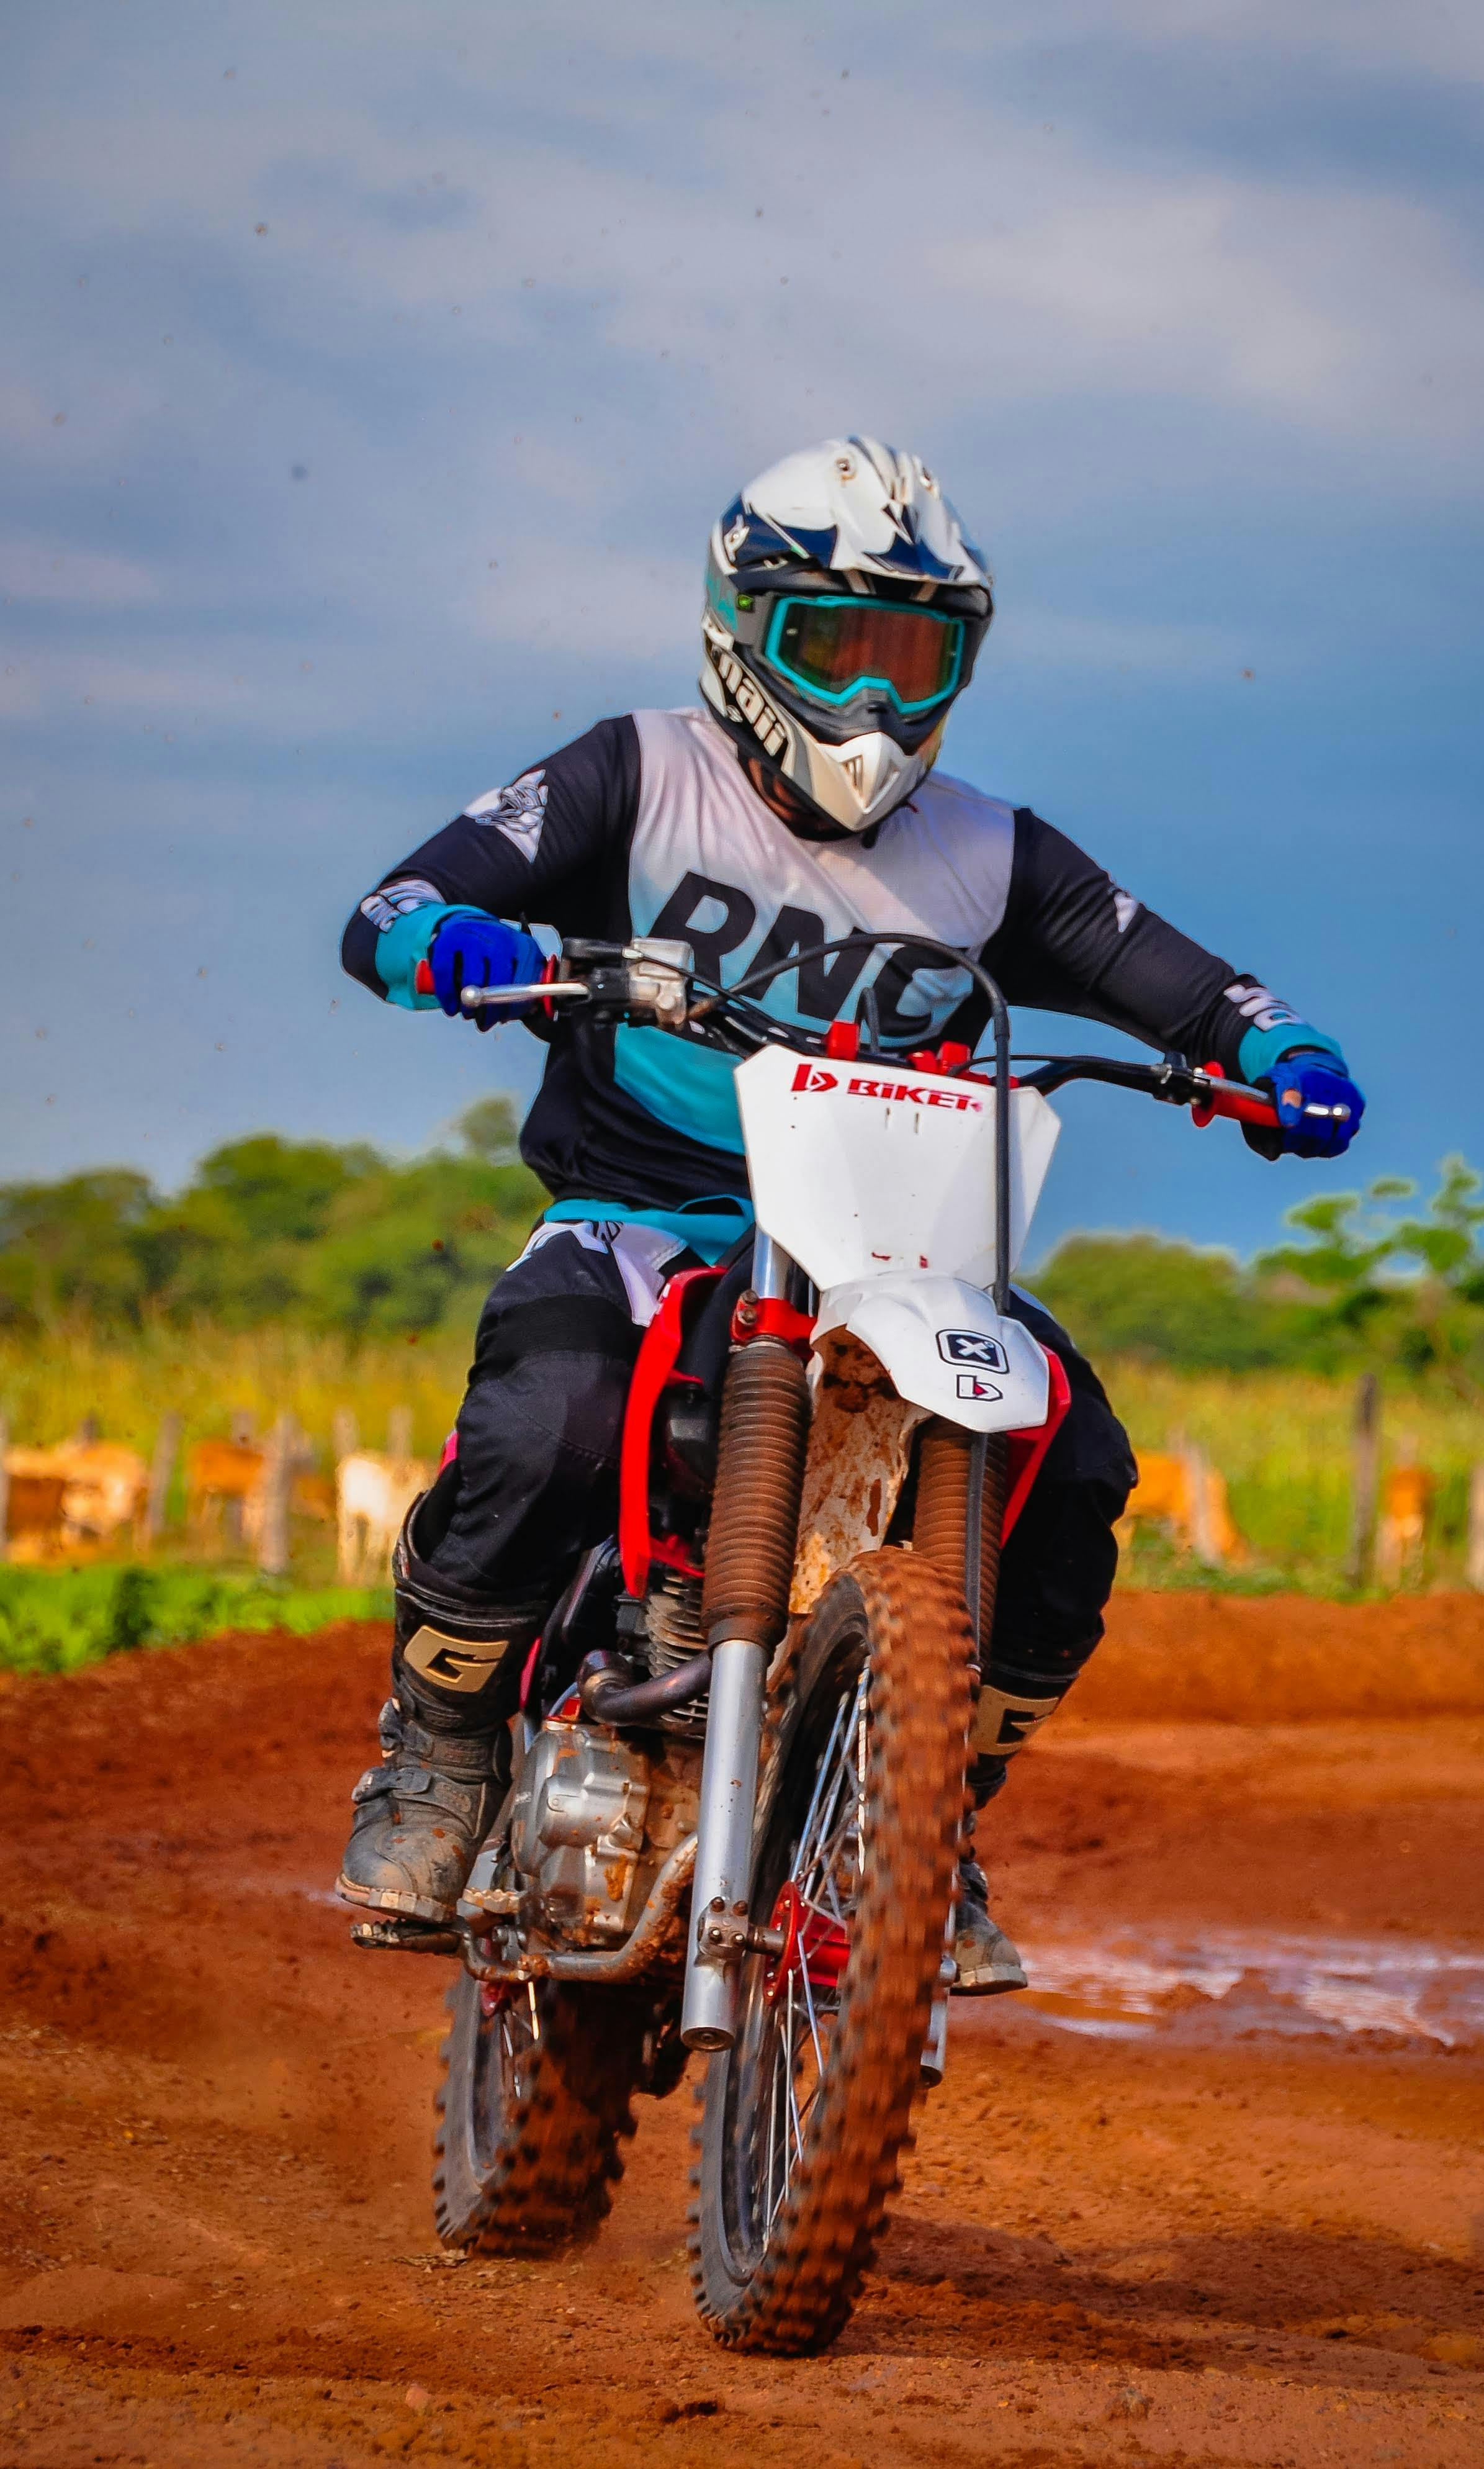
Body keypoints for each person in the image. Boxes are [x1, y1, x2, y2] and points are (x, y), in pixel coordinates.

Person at [336, 436, 1364, 1990]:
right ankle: (440, 1746)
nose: (875, 697)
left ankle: (926, 1823)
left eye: (916, 653)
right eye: (838, 644)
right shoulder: (636, 769)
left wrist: (1271, 1051)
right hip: (648, 1217)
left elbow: (1179, 978)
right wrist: (454, 943)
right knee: (545, 1414)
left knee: (1072, 1463)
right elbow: (399, 903)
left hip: (899, 1253)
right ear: (743, 632)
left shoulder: (994, 850)